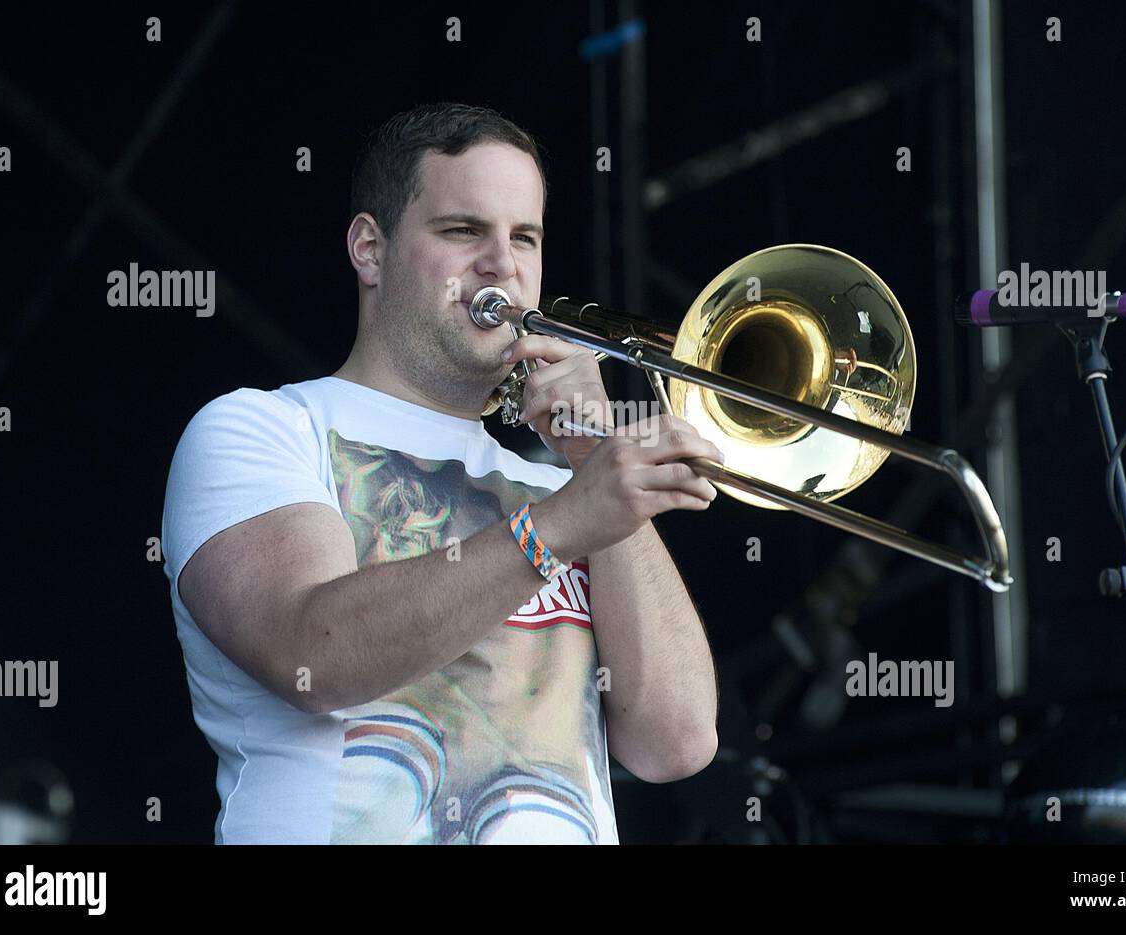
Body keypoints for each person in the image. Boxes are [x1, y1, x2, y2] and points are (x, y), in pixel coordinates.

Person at [161, 102, 722, 844]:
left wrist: (592, 462)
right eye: (463, 231)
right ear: (370, 248)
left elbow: (676, 742)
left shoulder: (573, 492)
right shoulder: (264, 428)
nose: (503, 264)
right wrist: (557, 527)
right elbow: (313, 655)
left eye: (524, 237)